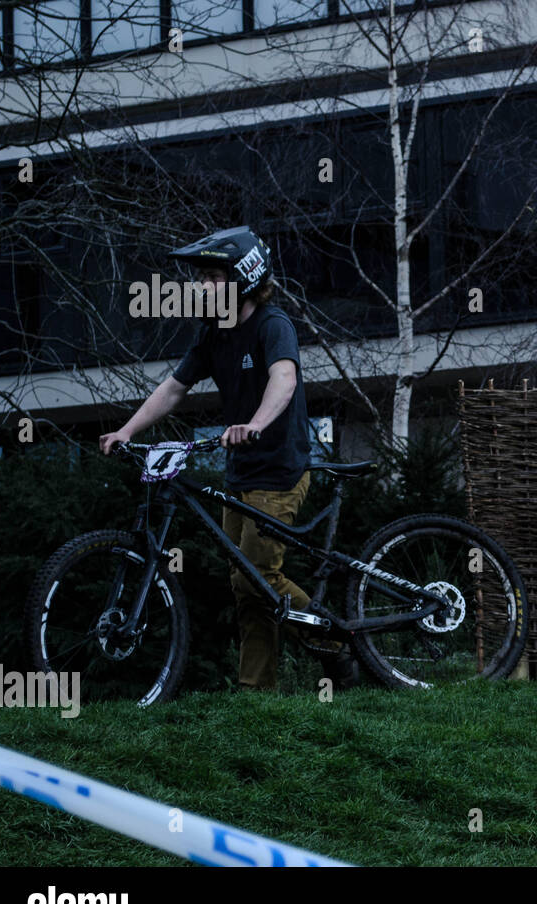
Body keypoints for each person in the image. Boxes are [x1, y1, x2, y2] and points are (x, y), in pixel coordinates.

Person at [99, 225, 360, 692]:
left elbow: (284, 379)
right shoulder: (212, 333)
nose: (201, 286)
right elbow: (174, 388)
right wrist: (127, 430)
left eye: (211, 276)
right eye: (200, 277)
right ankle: (255, 691)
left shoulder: (271, 323)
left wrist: (257, 422)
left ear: (242, 277)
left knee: (259, 576)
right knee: (246, 585)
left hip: (279, 473)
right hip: (239, 473)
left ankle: (337, 647)